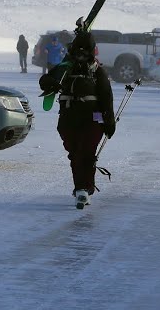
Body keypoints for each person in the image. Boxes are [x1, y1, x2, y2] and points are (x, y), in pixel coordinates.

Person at [39, 26, 116, 209]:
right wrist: (51, 83)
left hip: (92, 119)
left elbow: (107, 97)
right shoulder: (65, 68)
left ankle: (83, 190)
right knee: (75, 154)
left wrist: (109, 121)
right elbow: (44, 81)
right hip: (68, 117)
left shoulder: (97, 71)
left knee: (86, 154)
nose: (81, 54)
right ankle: (81, 188)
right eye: (78, 50)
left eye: (84, 50)